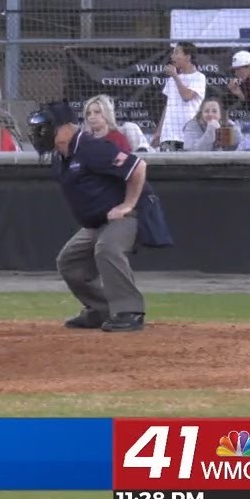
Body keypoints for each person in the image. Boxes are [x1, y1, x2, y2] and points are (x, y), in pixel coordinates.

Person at [27, 101, 163, 333]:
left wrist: (128, 204)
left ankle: (129, 311)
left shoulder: (90, 147)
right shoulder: (60, 156)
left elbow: (138, 167)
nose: (41, 134)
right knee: (69, 261)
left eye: (47, 127)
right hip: (100, 221)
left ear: (67, 127)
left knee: (107, 248)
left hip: (130, 213)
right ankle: (100, 309)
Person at [152, 42, 206, 151]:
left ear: (188, 57)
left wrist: (175, 76)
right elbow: (168, 106)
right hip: (168, 135)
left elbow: (187, 96)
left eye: (176, 53)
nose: (172, 56)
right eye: (173, 53)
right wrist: (159, 132)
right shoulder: (172, 79)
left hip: (188, 135)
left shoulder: (199, 77)